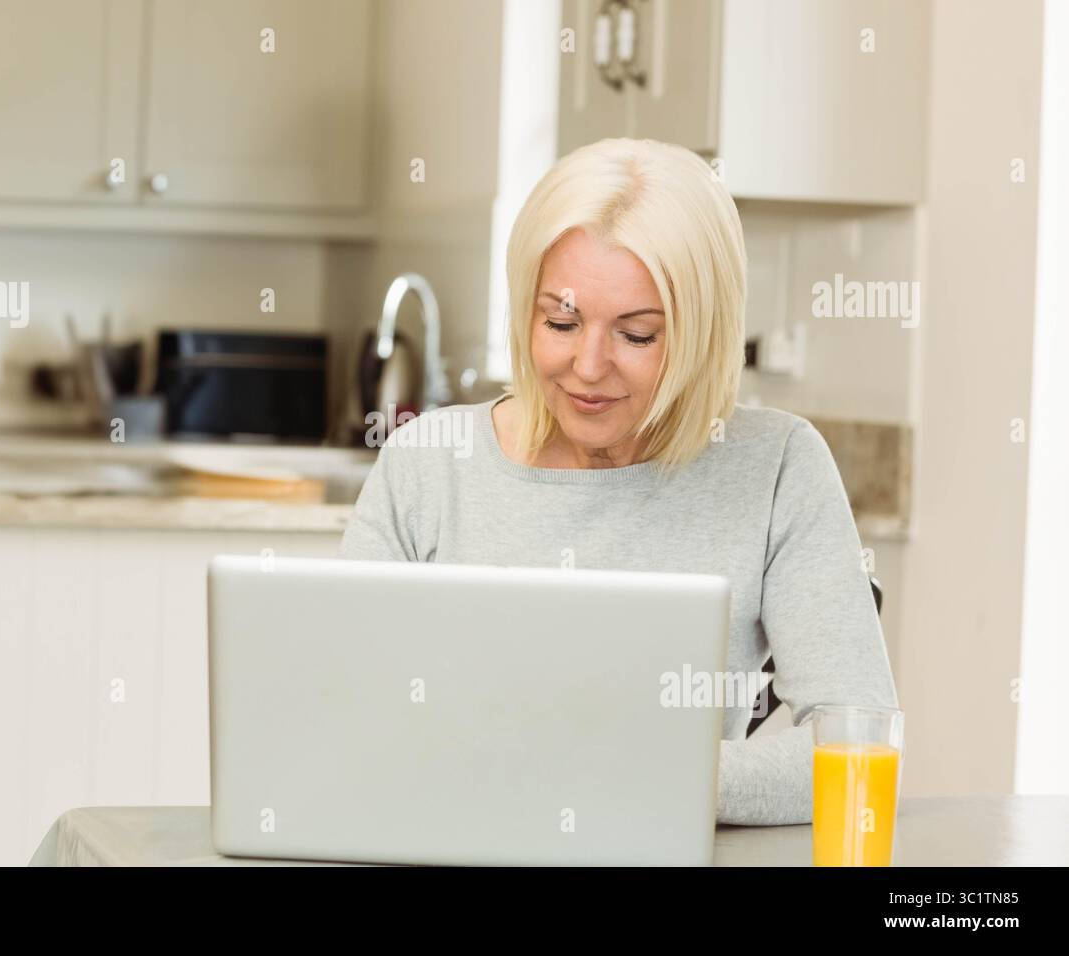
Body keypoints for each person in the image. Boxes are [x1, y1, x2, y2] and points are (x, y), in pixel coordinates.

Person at [340, 137, 898, 826]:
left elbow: (855, 753)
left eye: (637, 335)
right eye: (561, 322)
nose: (589, 365)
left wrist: (626, 774)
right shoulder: (426, 462)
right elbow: (341, 715)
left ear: (705, 333)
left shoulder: (778, 465)